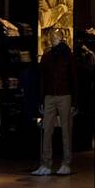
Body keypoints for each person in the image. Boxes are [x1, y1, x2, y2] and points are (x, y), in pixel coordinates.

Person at [34, 27, 77, 176]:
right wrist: (41, 99)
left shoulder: (68, 56)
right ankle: (46, 162)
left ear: (61, 38)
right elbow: (42, 80)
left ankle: (66, 162)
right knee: (47, 129)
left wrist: (74, 101)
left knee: (66, 130)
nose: (53, 38)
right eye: (52, 36)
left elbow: (73, 79)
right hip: (50, 95)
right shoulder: (47, 57)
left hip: (65, 94)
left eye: (56, 36)